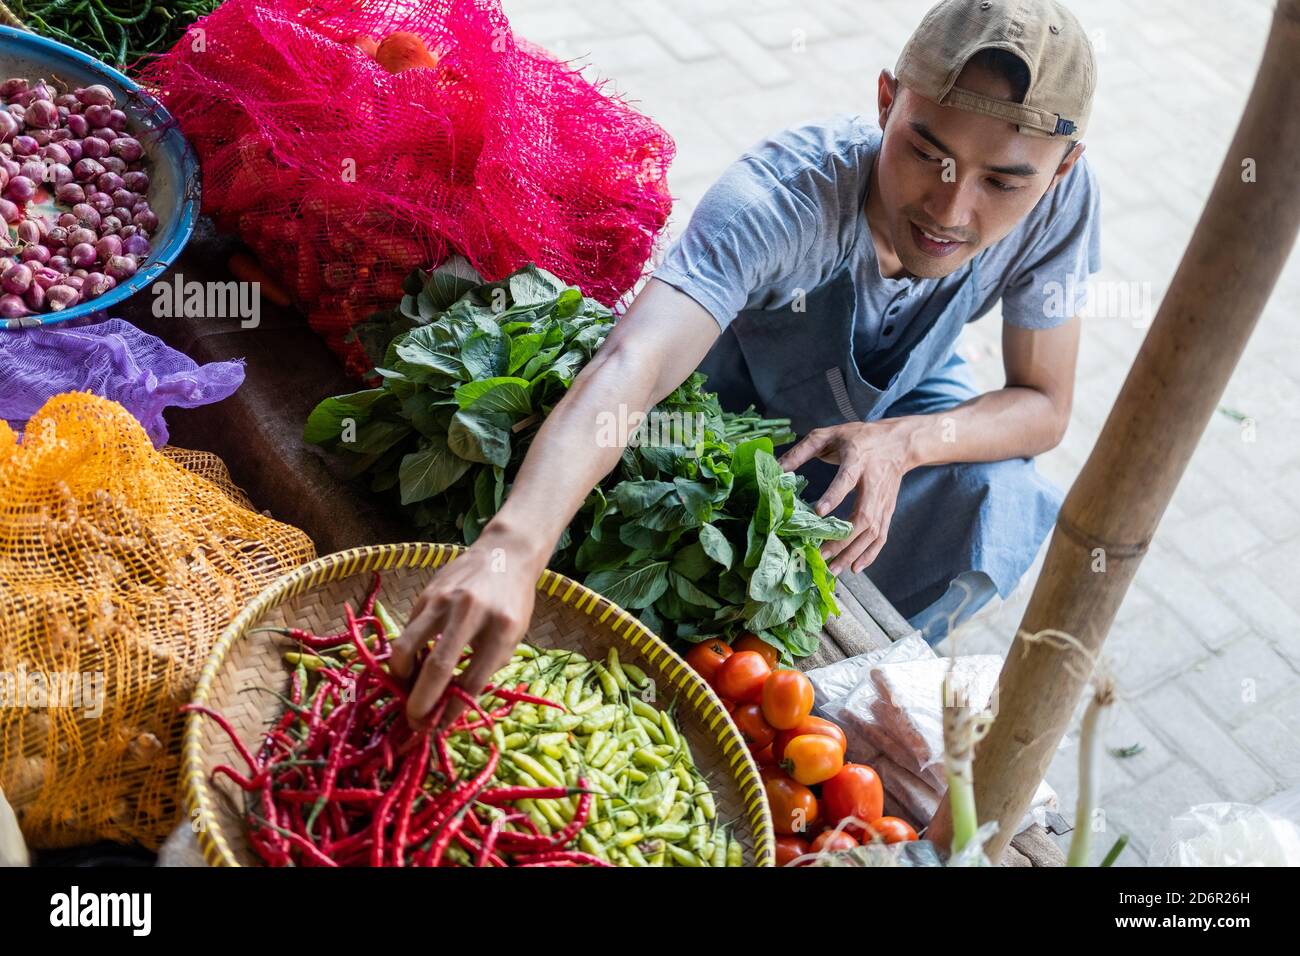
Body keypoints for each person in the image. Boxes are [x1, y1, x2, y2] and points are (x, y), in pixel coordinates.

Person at [392, 0, 1101, 728]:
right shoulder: (784, 200)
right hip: (725, 414)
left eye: (1003, 184)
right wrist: (512, 547)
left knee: (1000, 496)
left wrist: (904, 442)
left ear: (1062, 166)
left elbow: (1043, 403)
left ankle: (842, 681)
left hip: (901, 390)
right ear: (886, 100)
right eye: (926, 153)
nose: (951, 208)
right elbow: (632, 363)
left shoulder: (1063, 200)